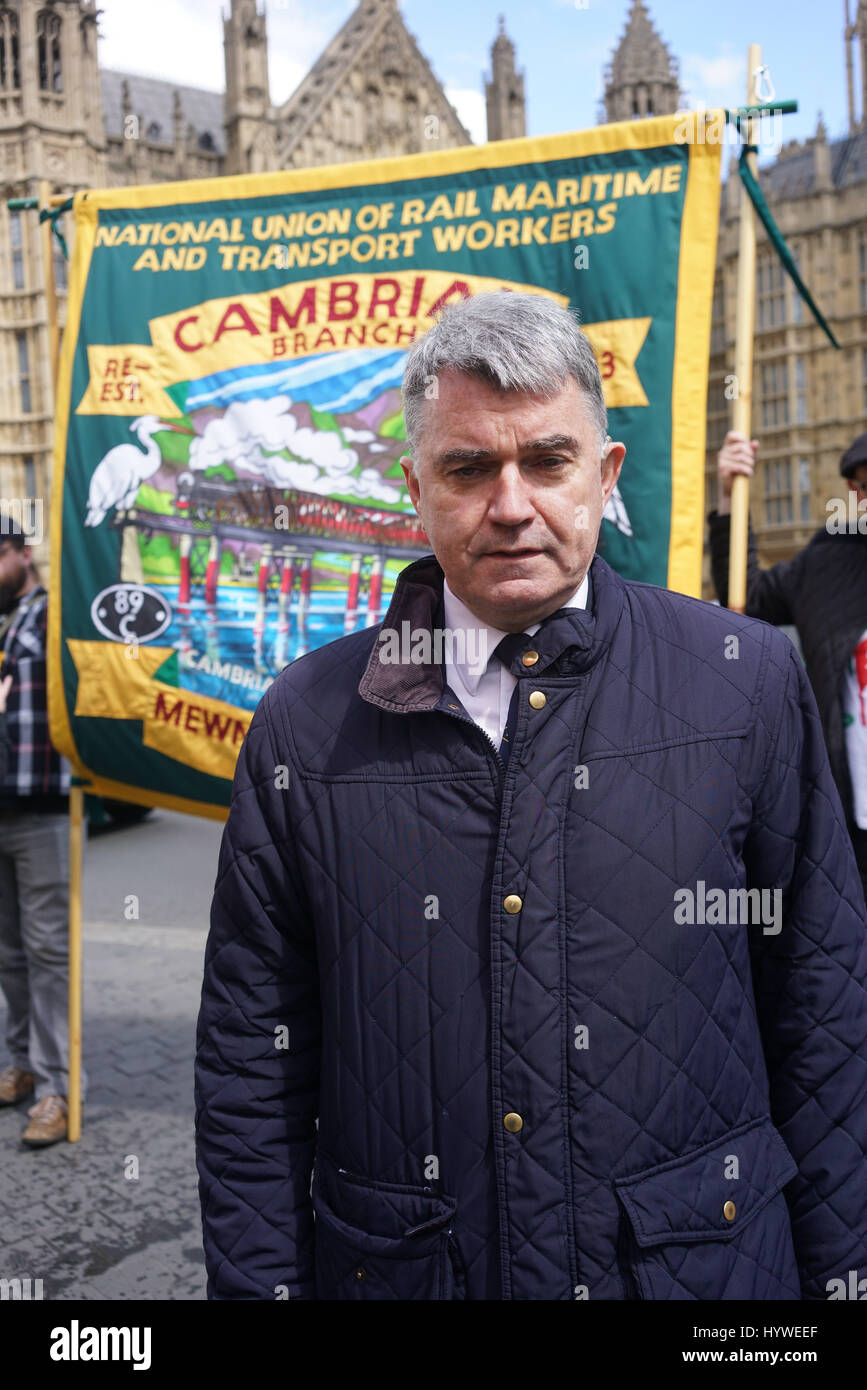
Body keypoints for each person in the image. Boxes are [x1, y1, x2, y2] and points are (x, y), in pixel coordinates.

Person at [195, 292, 867, 1301]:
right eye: (469, 469)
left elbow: (825, 1014)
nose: (511, 505)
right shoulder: (306, 723)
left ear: (605, 474)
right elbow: (252, 1060)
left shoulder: (742, 684)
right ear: (415, 486)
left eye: (547, 462)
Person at [709, 429, 867, 902]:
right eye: (865, 486)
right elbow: (746, 598)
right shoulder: (829, 562)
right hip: (851, 825)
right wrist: (730, 497)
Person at [0, 519, 85, 1146]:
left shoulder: (54, 615)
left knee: (49, 951)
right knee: (8, 953)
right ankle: (23, 1064)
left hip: (45, 802)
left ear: (23, 553)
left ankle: (60, 1088)